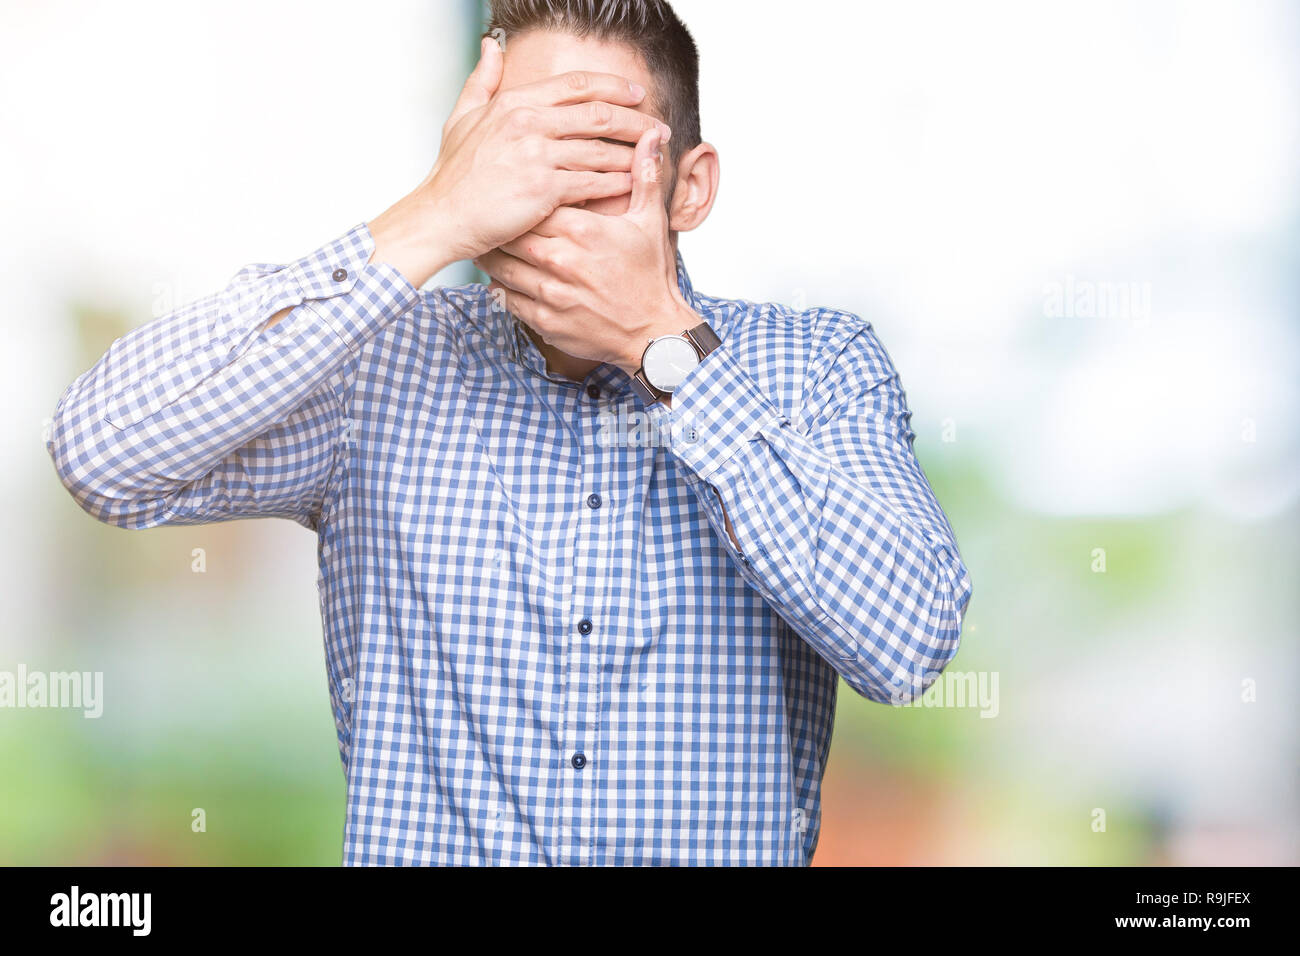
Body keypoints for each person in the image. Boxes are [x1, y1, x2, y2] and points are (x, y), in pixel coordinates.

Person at [46, 0, 972, 866]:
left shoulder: (813, 366)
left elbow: (906, 643)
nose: (548, 193)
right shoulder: (379, 362)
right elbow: (103, 453)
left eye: (596, 151)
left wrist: (666, 350)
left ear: (691, 188)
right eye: (519, 150)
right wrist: (432, 215)